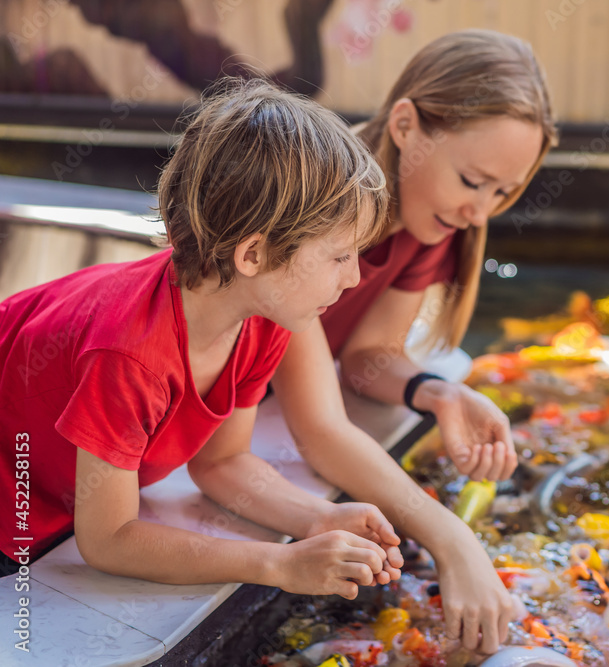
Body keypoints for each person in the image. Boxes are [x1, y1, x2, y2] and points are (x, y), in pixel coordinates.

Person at [0, 77, 403, 599]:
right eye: (339, 256)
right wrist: (281, 564)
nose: (354, 278)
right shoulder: (130, 355)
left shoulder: (262, 314)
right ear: (253, 254)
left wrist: (319, 518)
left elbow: (221, 462)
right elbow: (109, 539)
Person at [320, 29, 558, 483]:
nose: (479, 213)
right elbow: (317, 425)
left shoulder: (428, 222)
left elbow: (367, 354)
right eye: (471, 181)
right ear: (406, 126)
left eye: (503, 192)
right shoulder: (315, 215)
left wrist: (440, 395)